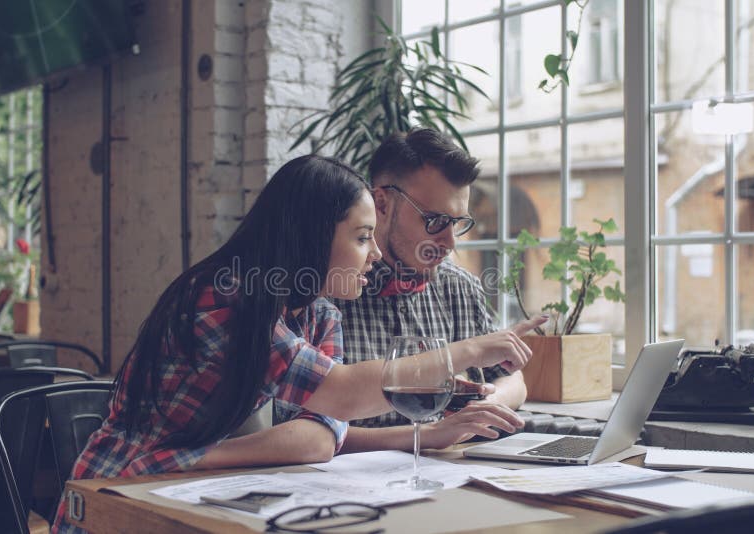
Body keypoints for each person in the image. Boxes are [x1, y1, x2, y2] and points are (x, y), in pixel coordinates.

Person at [52, 155, 541, 532]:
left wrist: (201, 454)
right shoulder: (226, 295)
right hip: (116, 492)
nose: (374, 254)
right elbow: (343, 394)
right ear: (310, 237)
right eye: (362, 236)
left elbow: (320, 437)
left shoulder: (318, 311)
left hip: (183, 481)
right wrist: (474, 349)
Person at [333, 129, 546, 453]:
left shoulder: (459, 288)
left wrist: (486, 406)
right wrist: (432, 434)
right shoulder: (328, 292)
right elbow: (306, 429)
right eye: (434, 220)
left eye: (458, 223)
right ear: (381, 203)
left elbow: (513, 379)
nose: (450, 242)